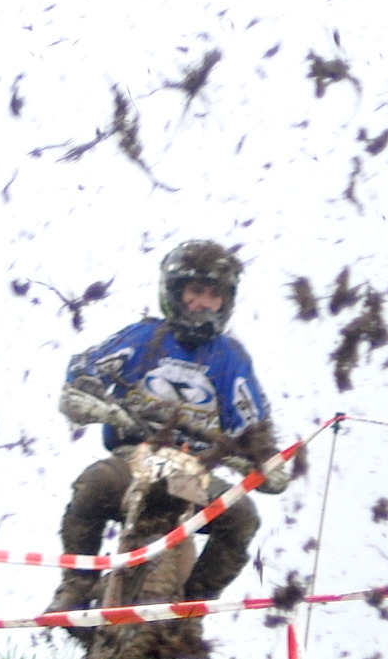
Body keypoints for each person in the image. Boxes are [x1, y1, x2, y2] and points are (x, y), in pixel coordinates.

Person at [44, 240, 293, 622]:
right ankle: (77, 582)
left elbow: (254, 423)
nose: (204, 303)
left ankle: (193, 607)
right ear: (175, 293)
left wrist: (264, 460)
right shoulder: (145, 337)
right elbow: (85, 368)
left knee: (242, 517)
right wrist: (91, 397)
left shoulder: (230, 358)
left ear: (226, 302)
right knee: (92, 486)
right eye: (196, 292)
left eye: (215, 295)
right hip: (134, 460)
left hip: (192, 474)